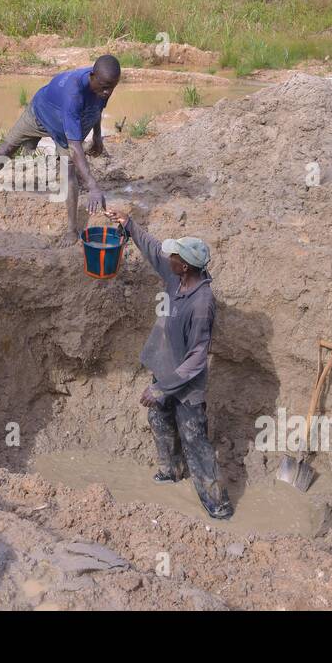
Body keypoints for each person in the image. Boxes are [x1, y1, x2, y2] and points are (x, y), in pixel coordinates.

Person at [106, 209, 232, 519]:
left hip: (185, 383)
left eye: (173, 255)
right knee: (159, 420)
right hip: (163, 368)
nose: (168, 257)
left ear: (185, 265)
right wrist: (128, 224)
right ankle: (172, 470)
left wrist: (163, 387)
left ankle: (216, 502)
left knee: (195, 438)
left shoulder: (202, 303)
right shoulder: (176, 278)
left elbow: (198, 358)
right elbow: (152, 248)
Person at [0, 55, 120, 235]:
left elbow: (97, 108)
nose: (108, 92)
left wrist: (97, 136)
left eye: (112, 87)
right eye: (105, 87)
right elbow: (75, 148)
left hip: (68, 125)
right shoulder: (74, 93)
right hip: (40, 115)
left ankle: (71, 230)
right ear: (92, 76)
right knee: (6, 148)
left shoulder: (103, 85)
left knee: (68, 172)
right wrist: (93, 186)